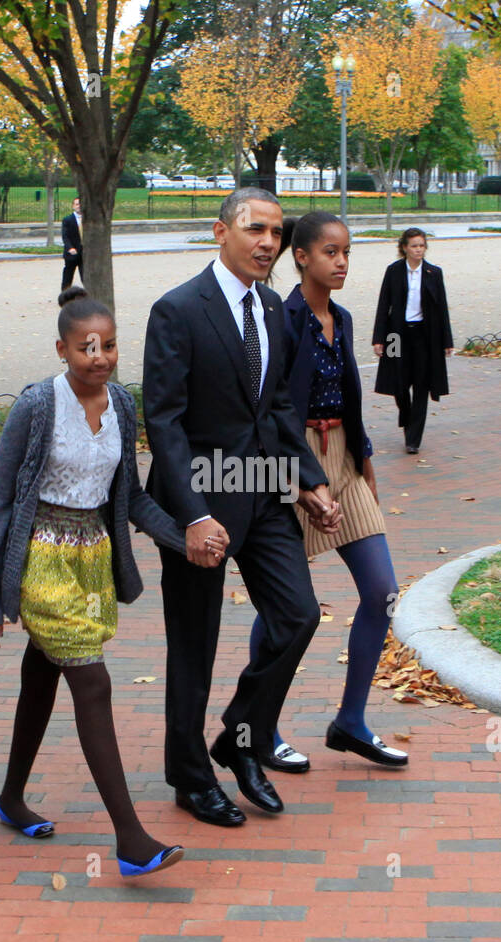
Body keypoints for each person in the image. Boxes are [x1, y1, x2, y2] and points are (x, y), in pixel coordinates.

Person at [142, 187, 342, 828]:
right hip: (199, 502)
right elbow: (165, 421)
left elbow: (280, 406)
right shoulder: (177, 310)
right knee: (194, 647)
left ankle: (239, 735)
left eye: (277, 234)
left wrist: (309, 480)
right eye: (256, 229)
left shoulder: (277, 311)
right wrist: (194, 515)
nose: (268, 244)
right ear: (221, 230)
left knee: (298, 616)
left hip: (267, 489)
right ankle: (190, 778)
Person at [0, 288, 186, 877]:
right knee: (91, 683)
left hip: (91, 558)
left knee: (42, 676)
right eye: (87, 347)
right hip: (40, 555)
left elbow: (132, 496)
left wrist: (183, 535)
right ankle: (131, 840)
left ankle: (12, 798)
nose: (101, 356)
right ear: (62, 348)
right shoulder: (38, 405)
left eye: (111, 345)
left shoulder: (121, 404)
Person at [256, 211, 407, 773]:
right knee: (283, 605)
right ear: (301, 256)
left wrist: (364, 460)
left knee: (382, 592)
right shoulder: (281, 318)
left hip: (342, 457)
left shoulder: (340, 318)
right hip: (292, 467)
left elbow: (350, 395)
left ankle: (350, 722)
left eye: (347, 252)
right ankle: (260, 727)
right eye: (330, 252)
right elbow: (273, 411)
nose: (341, 262)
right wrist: (297, 481)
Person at [372, 228, 454, 454]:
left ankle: (413, 439)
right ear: (405, 248)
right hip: (396, 335)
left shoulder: (433, 273)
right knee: (399, 383)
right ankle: (407, 417)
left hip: (424, 337)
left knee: (421, 385)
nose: (419, 249)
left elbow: (442, 309)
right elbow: (383, 305)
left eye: (422, 245)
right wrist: (379, 338)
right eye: (414, 246)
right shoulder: (394, 271)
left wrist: (447, 340)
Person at [61, 197, 83, 290]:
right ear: (73, 206)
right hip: (71, 253)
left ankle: (91, 296)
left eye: (81, 204)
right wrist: (70, 248)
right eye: (77, 204)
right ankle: (65, 296)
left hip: (84, 253)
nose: (79, 206)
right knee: (68, 277)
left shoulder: (89, 219)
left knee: (86, 277)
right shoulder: (67, 220)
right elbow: (65, 236)